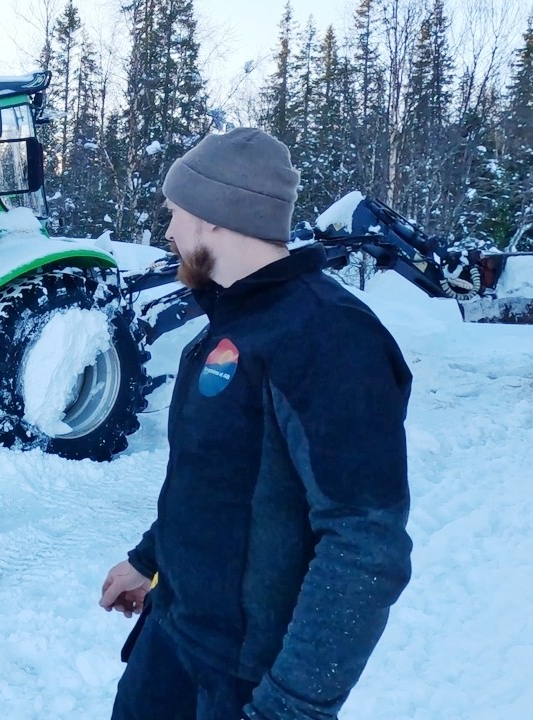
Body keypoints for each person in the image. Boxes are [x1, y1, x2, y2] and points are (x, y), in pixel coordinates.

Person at [99, 127, 413, 720]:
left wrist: (292, 707)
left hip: (247, 682)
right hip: (172, 645)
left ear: (217, 215)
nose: (167, 232)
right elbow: (213, 480)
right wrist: (148, 560)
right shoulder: (231, 320)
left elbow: (365, 543)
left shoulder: (329, 337)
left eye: (175, 213)